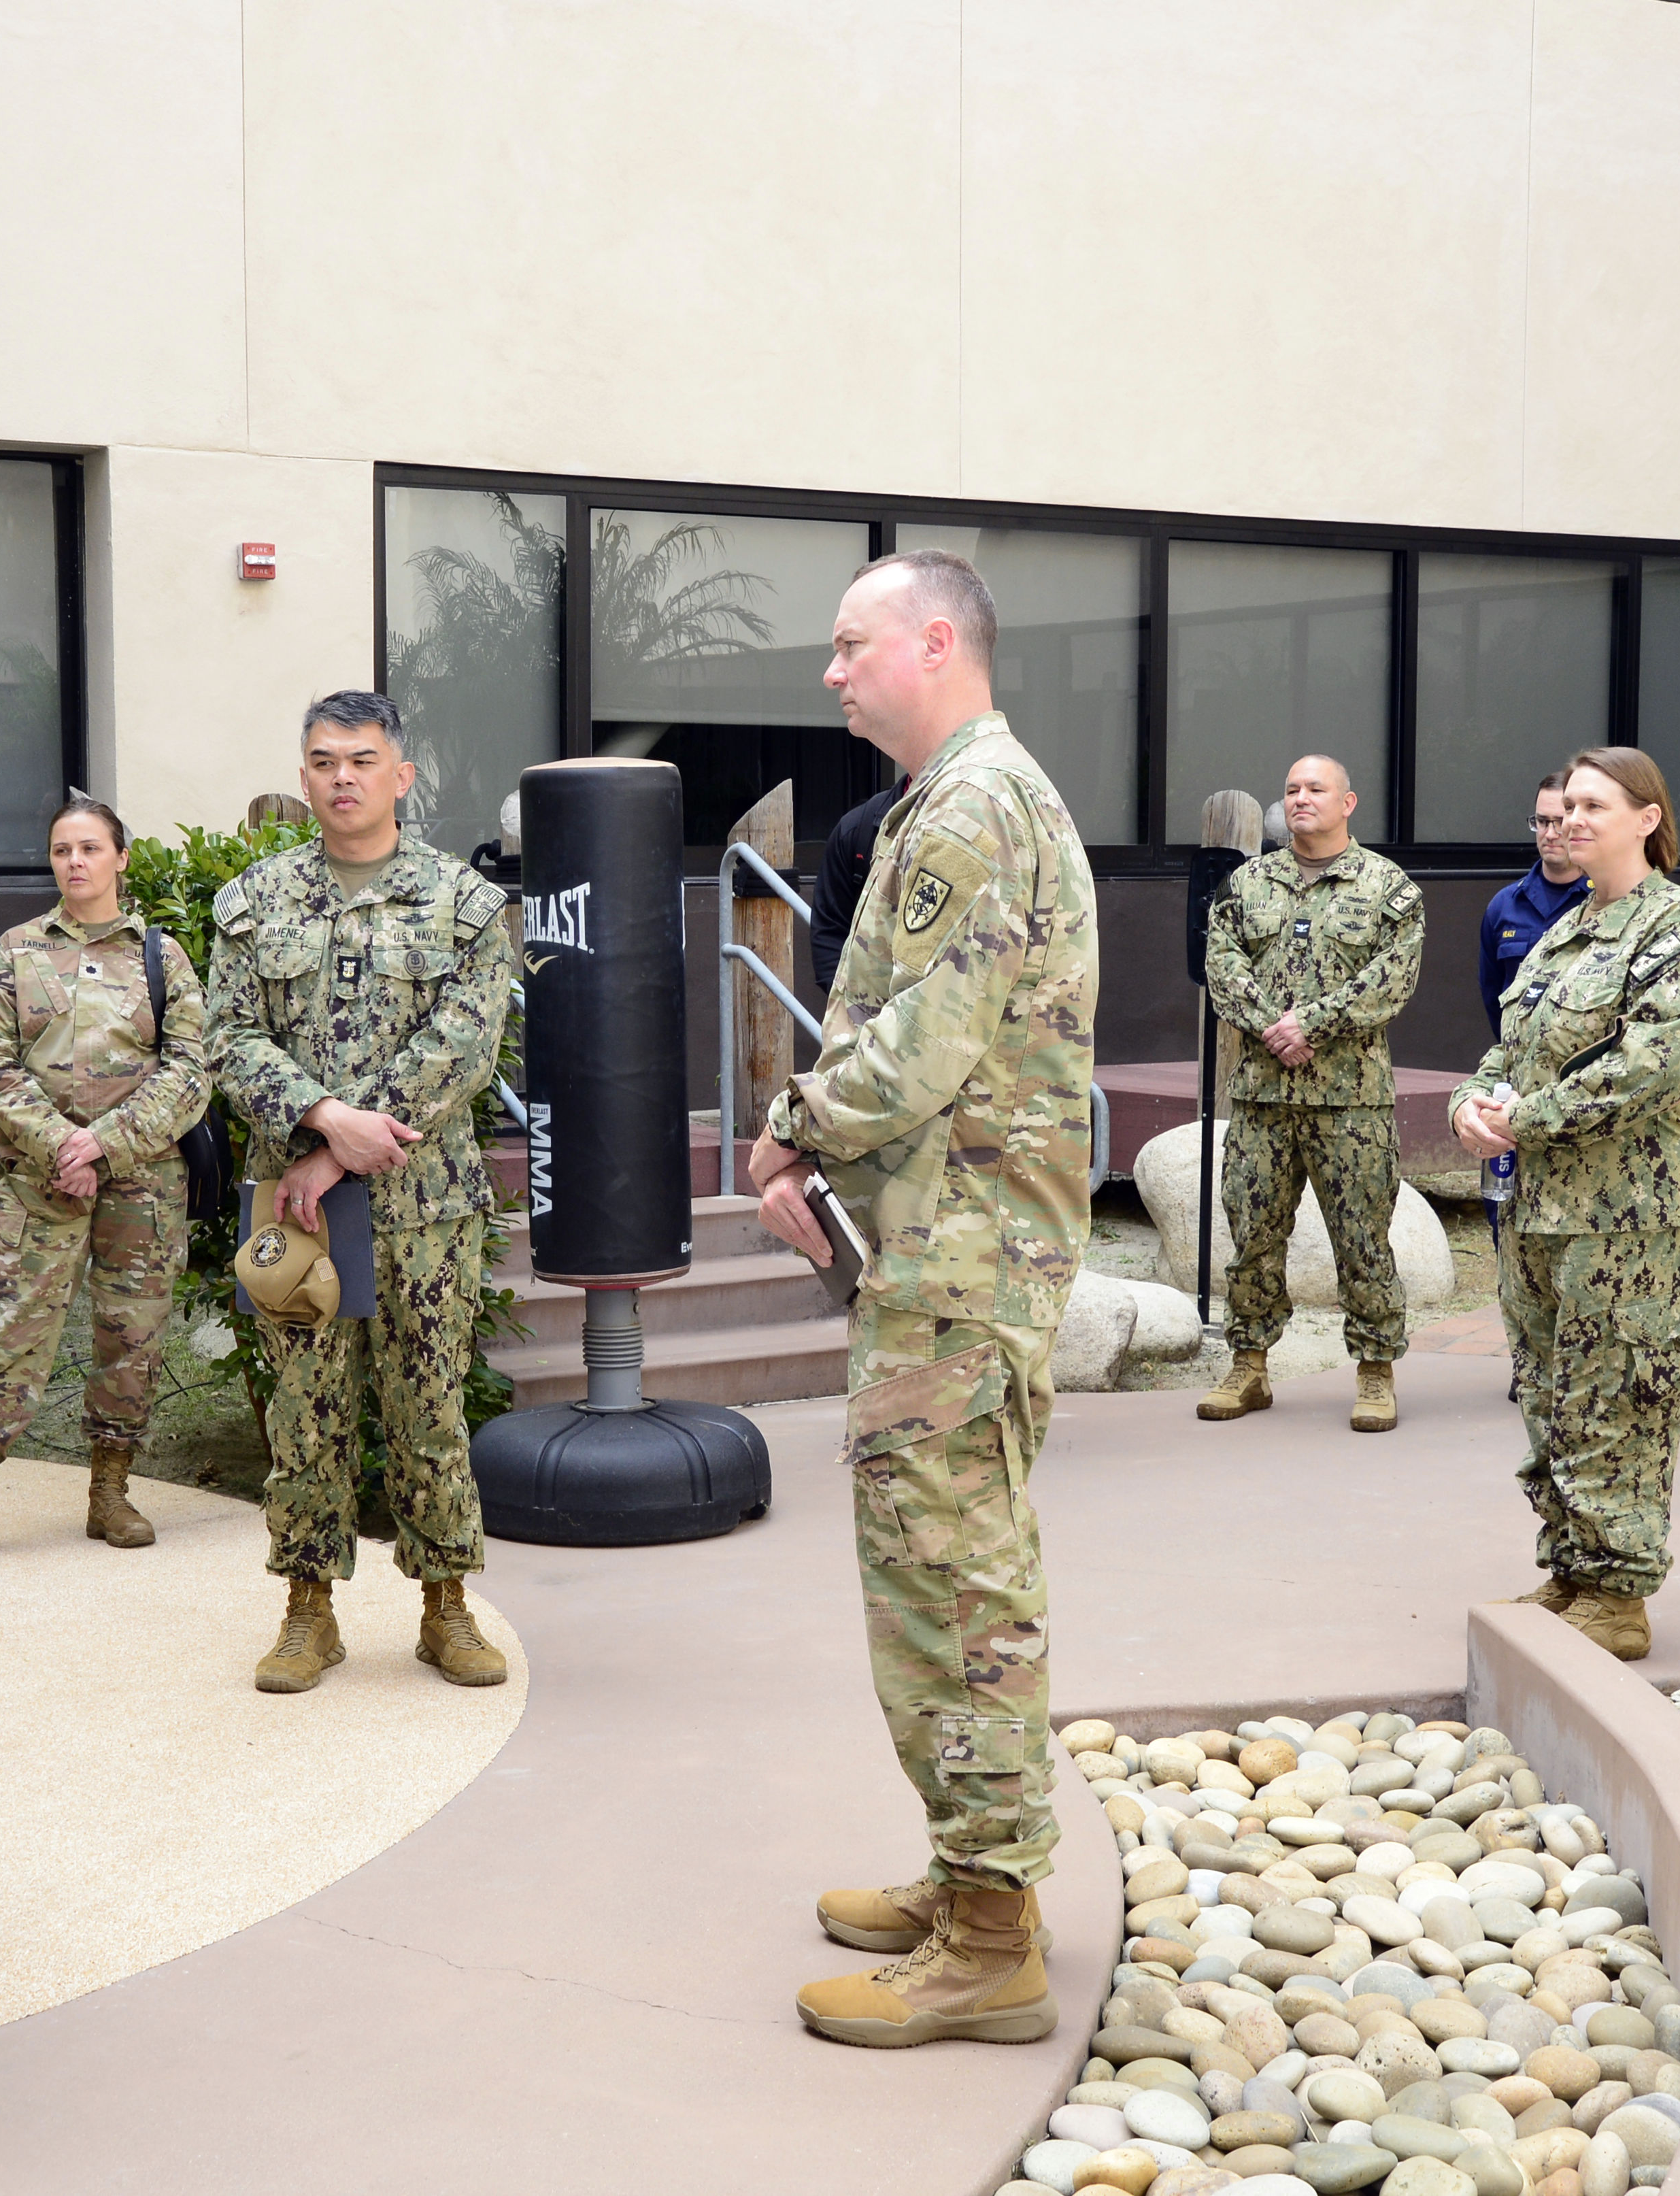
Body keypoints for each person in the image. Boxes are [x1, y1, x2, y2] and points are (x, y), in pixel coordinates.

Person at [745, 548, 1096, 2050]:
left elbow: (921, 1043)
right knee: (941, 1574)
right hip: (945, 1252)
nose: (828, 672)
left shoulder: (971, 805)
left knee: (953, 1593)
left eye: (848, 645)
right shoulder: (954, 801)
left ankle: (990, 1943)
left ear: (934, 641)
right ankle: (970, 1879)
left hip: (960, 1261)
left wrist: (791, 1122)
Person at [209, 691, 517, 1693]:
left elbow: (464, 1048)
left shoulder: (465, 905)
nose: (342, 776)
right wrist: (317, 1114)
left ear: (401, 775)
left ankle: (445, 1606)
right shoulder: (254, 906)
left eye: (362, 759)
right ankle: (309, 1610)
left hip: (424, 1208)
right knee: (304, 1411)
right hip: (297, 1211)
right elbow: (228, 1039)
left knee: (428, 1406)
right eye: (323, 760)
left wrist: (339, 1144)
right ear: (303, 778)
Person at [0, 797, 212, 1571]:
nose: (75, 862)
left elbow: (192, 1074)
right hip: (42, 1180)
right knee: (15, 1332)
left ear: (121, 858)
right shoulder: (15, 952)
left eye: (90, 848)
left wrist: (106, 1146)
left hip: (143, 1184)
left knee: (134, 1337)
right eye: (62, 850)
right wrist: (63, 1146)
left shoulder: (163, 956)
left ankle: (111, 1490)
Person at [1452, 748, 1680, 1661]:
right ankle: (1573, 1568)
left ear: (1648, 817)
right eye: (1564, 806)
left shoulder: (1675, 929)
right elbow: (1511, 1046)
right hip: (1540, 1215)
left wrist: (1523, 1117)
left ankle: (1620, 1594)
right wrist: (1471, 1103)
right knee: (1551, 1395)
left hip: (1626, 1224)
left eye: (1593, 805)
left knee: (1621, 1399)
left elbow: (1652, 1066)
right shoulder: (1566, 929)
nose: (1571, 820)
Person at [1195, 754, 1426, 1434]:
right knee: (1253, 1237)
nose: (1301, 799)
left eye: (1315, 789)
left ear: (1347, 802)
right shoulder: (1247, 885)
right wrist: (1274, 1026)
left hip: (1352, 1103)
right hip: (1264, 1097)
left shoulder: (1388, 888)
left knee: (1363, 1240)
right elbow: (1222, 963)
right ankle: (1249, 1366)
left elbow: (1394, 976)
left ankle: (1376, 1371)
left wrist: (1312, 1025)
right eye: (1292, 789)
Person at [1479, 771, 1589, 1030]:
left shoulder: (1605, 900)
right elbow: (1492, 993)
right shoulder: (1506, 904)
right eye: (1542, 822)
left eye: (1559, 822)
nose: (1550, 834)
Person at [808, 776, 904, 995]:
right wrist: (849, 1007)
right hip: (869, 1006)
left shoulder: (980, 814)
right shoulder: (858, 827)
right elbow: (829, 930)